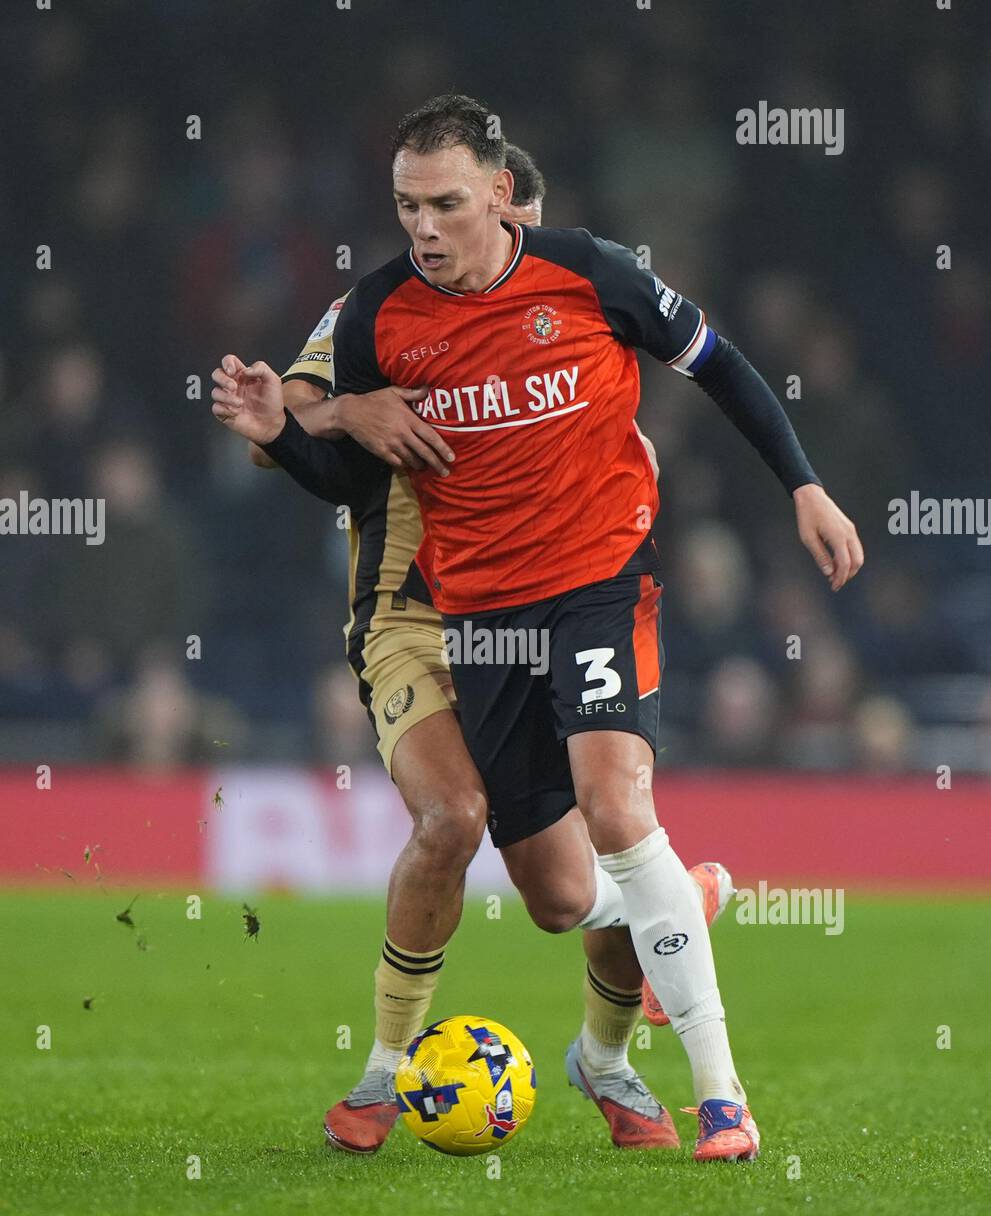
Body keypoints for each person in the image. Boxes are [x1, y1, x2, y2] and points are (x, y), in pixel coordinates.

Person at [215, 94, 864, 1161]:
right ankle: (391, 1068)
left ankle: (669, 1077)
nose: (427, 228)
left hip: (584, 589)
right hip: (423, 613)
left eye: (449, 207)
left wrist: (801, 484)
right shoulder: (369, 316)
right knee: (507, 857)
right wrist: (328, 413)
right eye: (409, 207)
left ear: (506, 205)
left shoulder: (588, 281)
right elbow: (279, 433)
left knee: (614, 809)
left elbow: (711, 363)